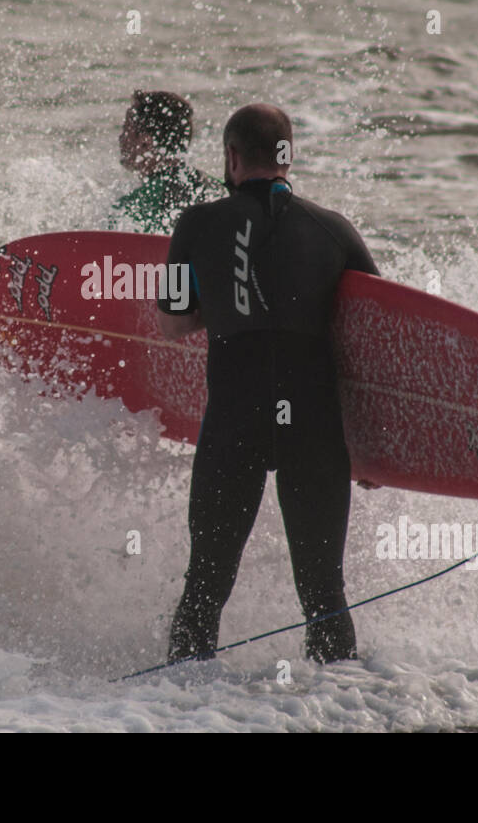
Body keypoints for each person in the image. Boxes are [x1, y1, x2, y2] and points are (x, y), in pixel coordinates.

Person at [155, 103, 379, 664]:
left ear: (231, 157)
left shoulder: (196, 224)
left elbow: (175, 322)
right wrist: (374, 448)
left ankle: (182, 714)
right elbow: (374, 336)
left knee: (205, 587)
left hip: (236, 416)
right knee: (325, 592)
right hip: (315, 424)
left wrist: (229, 304)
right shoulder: (335, 230)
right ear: (288, 155)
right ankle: (347, 712)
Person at [108, 90, 218, 234]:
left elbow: (109, 254)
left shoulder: (131, 207)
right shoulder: (216, 188)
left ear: (145, 143)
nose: (121, 138)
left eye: (125, 129)